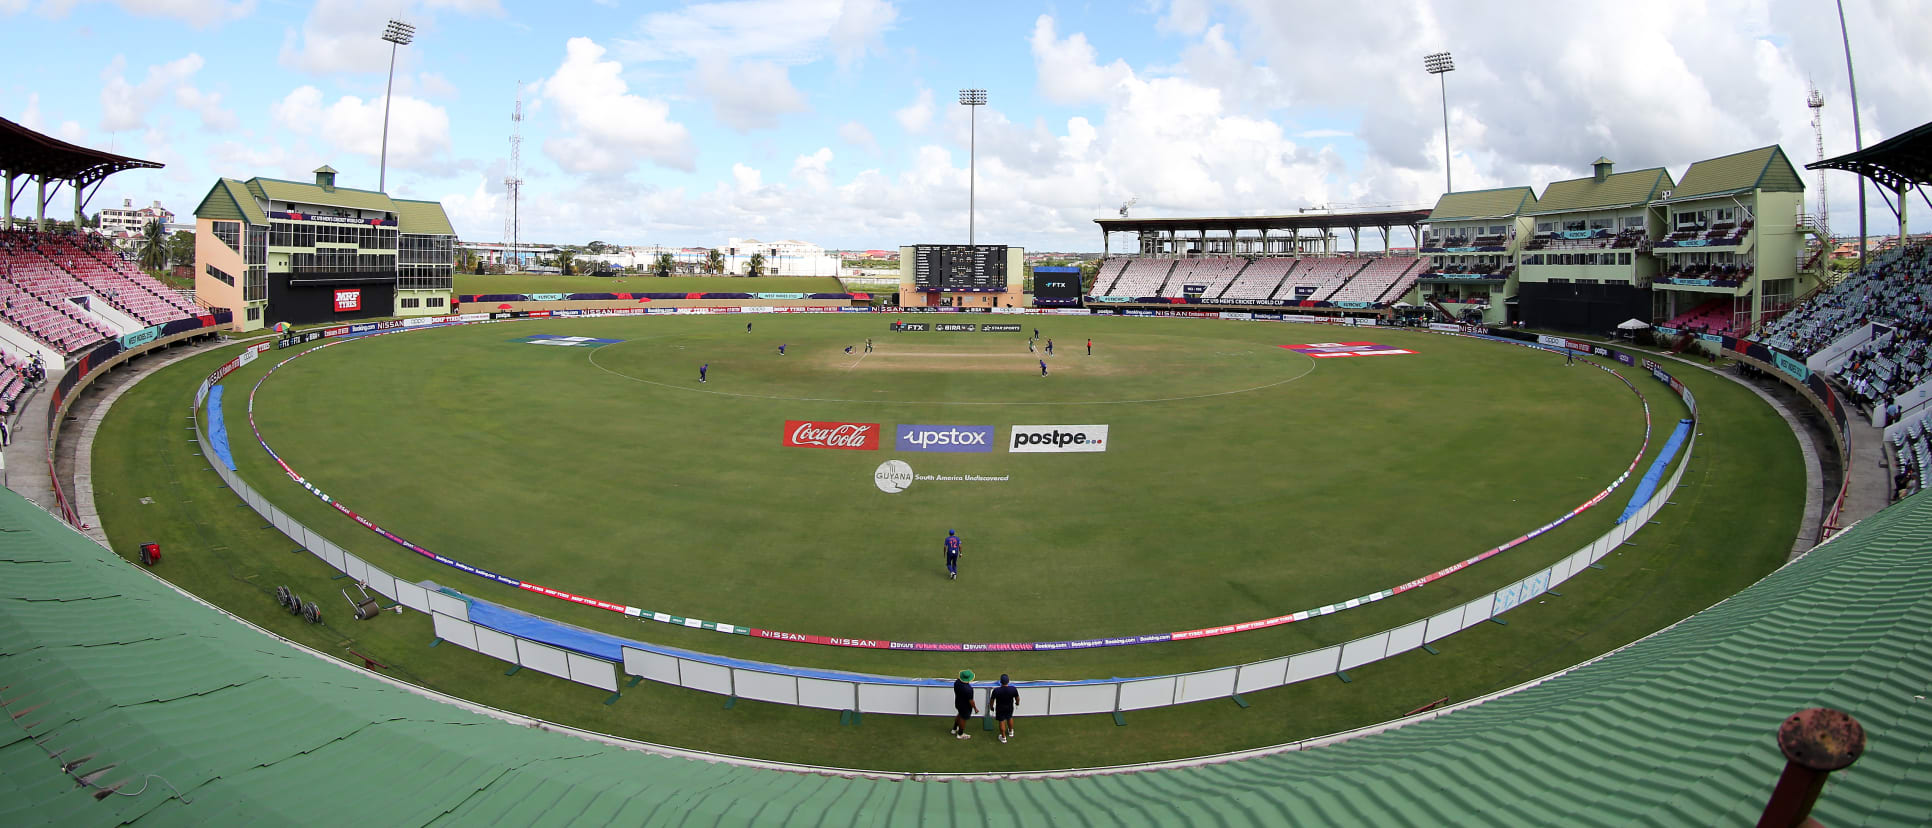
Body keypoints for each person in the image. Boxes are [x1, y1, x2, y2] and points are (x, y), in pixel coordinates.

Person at [990, 674, 1020, 743]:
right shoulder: (1013, 689)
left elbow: (992, 700)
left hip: (1000, 708)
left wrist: (991, 707)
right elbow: (1017, 698)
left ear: (1000, 681)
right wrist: (1017, 703)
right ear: (1008, 681)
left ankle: (1003, 737)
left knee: (1001, 721)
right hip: (1009, 707)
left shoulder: (996, 690)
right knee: (1009, 717)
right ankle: (1011, 731)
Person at [951, 670, 978, 739]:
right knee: (963, 719)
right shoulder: (969, 689)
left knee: (960, 714)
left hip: (958, 703)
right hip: (965, 706)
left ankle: (954, 729)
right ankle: (960, 734)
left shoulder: (956, 682)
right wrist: (975, 708)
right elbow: (971, 701)